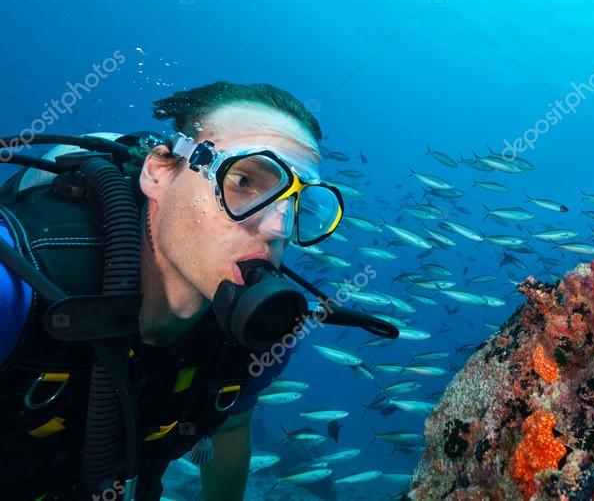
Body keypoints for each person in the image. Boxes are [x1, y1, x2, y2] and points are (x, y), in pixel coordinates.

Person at [0, 82, 389, 500]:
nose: (278, 227)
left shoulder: (255, 342)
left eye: (296, 204)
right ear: (158, 172)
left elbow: (233, 424)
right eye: (243, 180)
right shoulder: (17, 290)